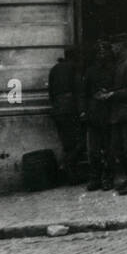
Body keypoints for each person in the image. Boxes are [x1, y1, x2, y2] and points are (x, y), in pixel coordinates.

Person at [99, 34, 127, 196]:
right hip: (118, 114)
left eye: (113, 46)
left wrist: (113, 94)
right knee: (117, 149)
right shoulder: (121, 64)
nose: (111, 49)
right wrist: (110, 92)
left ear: (120, 46)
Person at [82, 39, 115, 191]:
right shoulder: (89, 71)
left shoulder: (114, 70)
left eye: (104, 51)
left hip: (110, 113)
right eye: (99, 51)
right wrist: (85, 109)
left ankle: (108, 178)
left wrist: (109, 93)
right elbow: (84, 92)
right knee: (93, 151)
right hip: (94, 114)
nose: (102, 54)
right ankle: (95, 178)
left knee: (109, 149)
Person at [48, 47, 85, 184]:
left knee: (67, 143)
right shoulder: (74, 68)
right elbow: (79, 90)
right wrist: (82, 111)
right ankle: (68, 166)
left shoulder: (54, 69)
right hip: (71, 109)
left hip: (57, 109)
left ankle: (72, 175)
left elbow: (51, 92)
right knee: (81, 142)